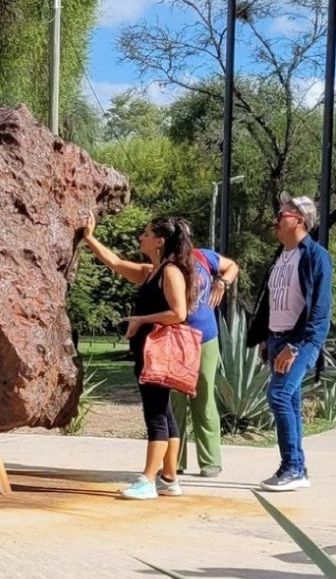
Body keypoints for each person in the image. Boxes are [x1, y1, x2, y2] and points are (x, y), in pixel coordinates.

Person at [82, 214, 198, 500]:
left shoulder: (170, 272)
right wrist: (89, 238)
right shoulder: (150, 272)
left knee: (155, 414)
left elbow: (179, 313)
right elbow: (115, 263)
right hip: (147, 352)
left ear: (160, 241)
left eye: (146, 233)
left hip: (158, 353)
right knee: (165, 413)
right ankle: (169, 478)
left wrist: (140, 320)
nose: (140, 238)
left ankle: (147, 479)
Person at [247, 193, 332, 492]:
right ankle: (298, 468)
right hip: (276, 337)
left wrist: (294, 346)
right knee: (290, 401)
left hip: (301, 340)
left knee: (279, 396)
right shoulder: (281, 255)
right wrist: (265, 337)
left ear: (299, 220)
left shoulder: (316, 256)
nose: (276, 221)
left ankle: (292, 467)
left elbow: (320, 311)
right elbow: (271, 301)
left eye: (281, 216)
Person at [171, 230, 239, 478]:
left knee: (205, 397)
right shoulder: (165, 265)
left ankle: (210, 462)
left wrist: (223, 282)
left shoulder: (203, 257)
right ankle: (173, 462)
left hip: (205, 338)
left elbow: (232, 266)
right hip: (175, 339)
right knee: (175, 401)